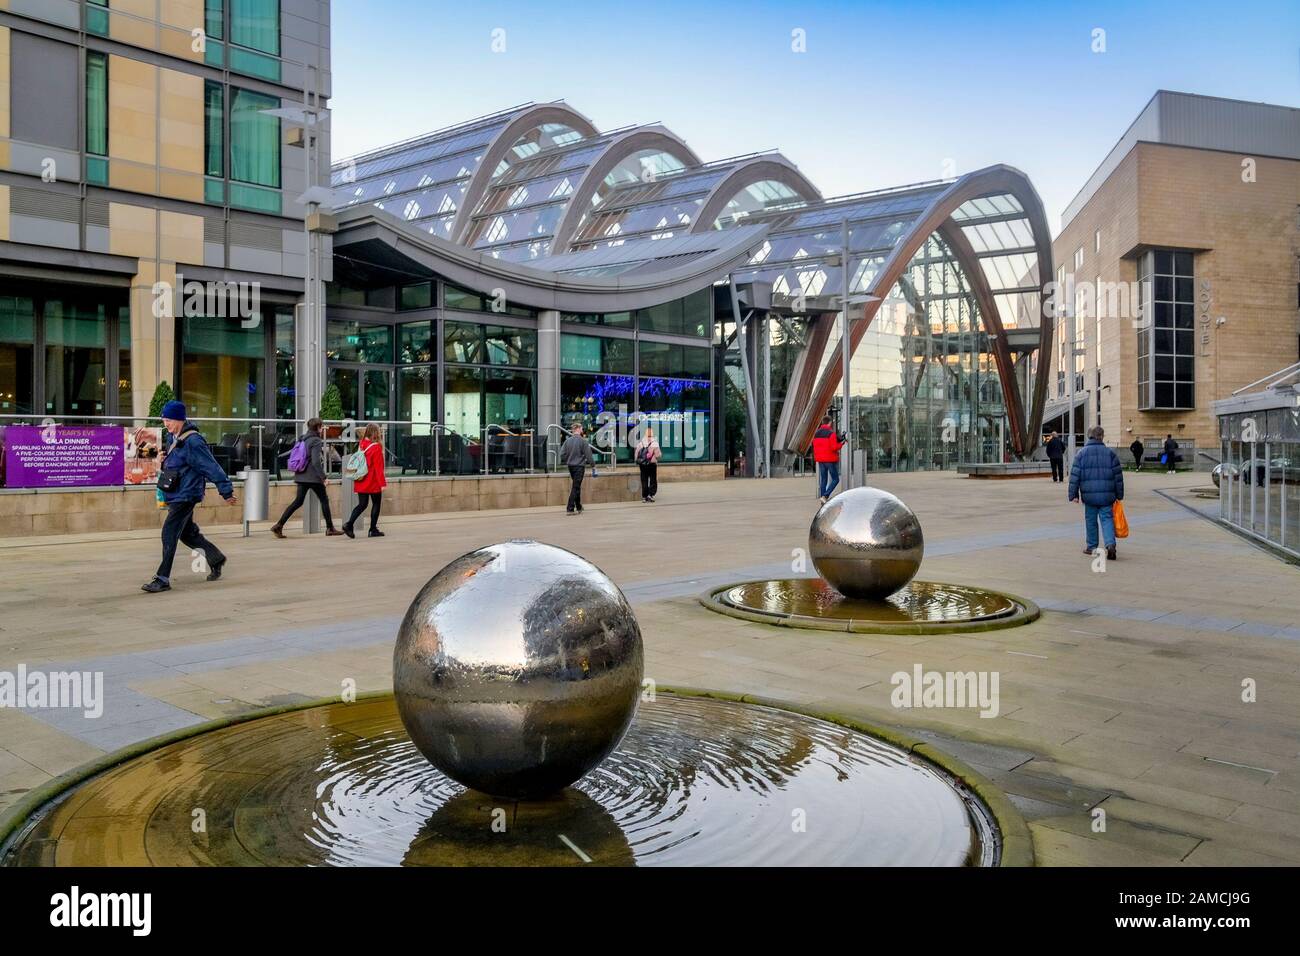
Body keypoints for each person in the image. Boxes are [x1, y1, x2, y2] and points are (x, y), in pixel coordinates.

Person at [141, 401, 238, 593]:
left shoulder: (194, 441)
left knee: (168, 533)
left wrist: (226, 490)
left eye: (168, 420)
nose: (166, 423)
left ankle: (162, 578)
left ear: (179, 418)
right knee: (187, 534)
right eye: (164, 420)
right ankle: (215, 558)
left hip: (186, 493)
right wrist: (162, 460)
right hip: (176, 491)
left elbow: (211, 466)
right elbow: (176, 464)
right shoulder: (172, 437)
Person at [271, 418, 343, 538]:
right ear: (318, 427)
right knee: (324, 500)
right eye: (321, 426)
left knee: (298, 502)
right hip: (313, 477)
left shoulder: (302, 438)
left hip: (301, 475)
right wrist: (323, 477)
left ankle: (279, 525)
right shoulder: (316, 441)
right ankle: (330, 528)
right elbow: (315, 462)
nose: (322, 428)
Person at [1068, 425, 1125, 561]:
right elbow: (1118, 476)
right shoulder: (1110, 454)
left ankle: (1092, 546)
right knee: (1107, 519)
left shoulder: (1081, 454)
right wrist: (1119, 494)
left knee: (1091, 520)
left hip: (1089, 496)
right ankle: (1110, 544)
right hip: (1107, 496)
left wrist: (1073, 494)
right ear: (1102, 436)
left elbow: (1075, 476)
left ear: (1089, 436)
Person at [344, 423, 387, 538]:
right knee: (376, 503)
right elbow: (378, 468)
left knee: (362, 504)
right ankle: (372, 529)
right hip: (372, 481)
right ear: (376, 433)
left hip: (361, 478)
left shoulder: (362, 444)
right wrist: (382, 483)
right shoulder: (376, 447)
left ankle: (349, 524)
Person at [560, 422, 594, 515]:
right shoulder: (583, 441)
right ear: (578, 429)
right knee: (575, 487)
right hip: (579, 466)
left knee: (576, 485)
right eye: (582, 428)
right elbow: (589, 455)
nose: (582, 430)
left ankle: (578, 506)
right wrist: (593, 465)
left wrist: (568, 459)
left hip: (571, 466)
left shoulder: (567, 441)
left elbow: (562, 454)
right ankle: (570, 508)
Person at [811, 415, 847, 502]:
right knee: (835, 479)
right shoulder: (831, 433)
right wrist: (842, 443)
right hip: (830, 460)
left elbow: (816, 445)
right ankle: (825, 495)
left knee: (823, 479)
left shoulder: (816, 433)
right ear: (830, 423)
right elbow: (834, 447)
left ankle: (822, 498)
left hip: (820, 460)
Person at [635, 427, 663, 502]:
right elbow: (658, 455)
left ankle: (644, 496)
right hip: (652, 464)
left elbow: (636, 454)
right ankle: (651, 495)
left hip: (643, 464)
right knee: (652, 479)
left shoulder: (641, 443)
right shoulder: (654, 443)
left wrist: (640, 460)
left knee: (644, 479)